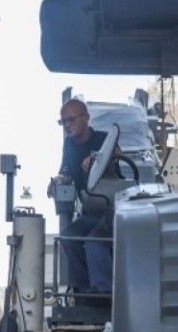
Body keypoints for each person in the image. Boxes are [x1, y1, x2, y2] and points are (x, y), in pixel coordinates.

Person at [55, 98, 116, 296]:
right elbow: (66, 172)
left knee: (94, 242)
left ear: (86, 118)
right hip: (90, 211)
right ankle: (82, 292)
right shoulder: (69, 145)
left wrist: (99, 158)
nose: (67, 125)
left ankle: (103, 293)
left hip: (112, 210)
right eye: (63, 121)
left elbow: (116, 153)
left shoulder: (104, 139)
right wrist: (58, 180)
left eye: (71, 119)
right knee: (69, 237)